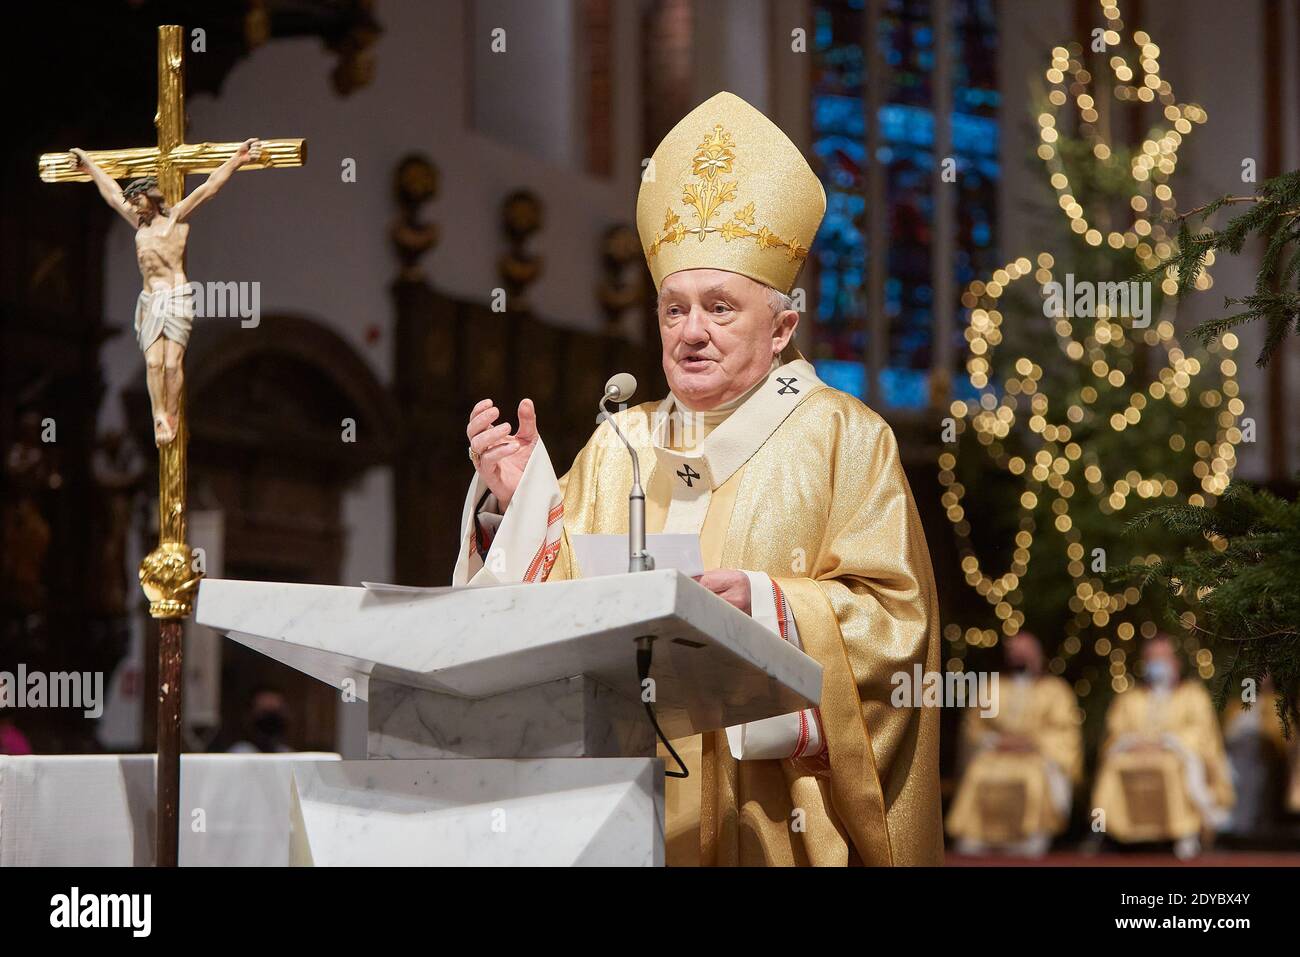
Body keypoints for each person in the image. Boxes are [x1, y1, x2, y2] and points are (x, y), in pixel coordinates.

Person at [454, 92, 942, 866]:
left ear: (783, 326)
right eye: (674, 308)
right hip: (629, 812)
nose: (691, 332)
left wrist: (774, 611)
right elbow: (553, 617)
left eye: (720, 306)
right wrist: (518, 512)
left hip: (774, 819)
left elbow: (899, 629)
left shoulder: (845, 437)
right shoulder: (621, 439)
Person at [70, 138, 263, 444]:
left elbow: (208, 187)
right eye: (131, 201)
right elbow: (110, 193)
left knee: (172, 364)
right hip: (150, 301)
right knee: (153, 363)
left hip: (175, 299)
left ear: (150, 197)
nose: (133, 205)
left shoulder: (174, 218)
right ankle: (159, 414)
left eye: (138, 200)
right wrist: (90, 165)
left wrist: (238, 159)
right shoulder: (139, 225)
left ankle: (171, 413)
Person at [1091, 634, 1234, 858]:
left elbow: (1202, 733)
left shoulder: (1193, 695)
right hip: (1135, 753)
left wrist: (1168, 743)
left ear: (1175, 663)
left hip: (1175, 755)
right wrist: (1131, 743)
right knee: (1114, 764)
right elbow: (1115, 732)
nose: (1157, 663)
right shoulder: (1129, 698)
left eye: (1163, 657)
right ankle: (1113, 833)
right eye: (1152, 658)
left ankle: (1184, 832)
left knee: (1171, 766)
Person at [946, 631, 1082, 856]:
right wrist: (996, 741)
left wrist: (1032, 742)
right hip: (997, 753)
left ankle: (1029, 836)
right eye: (1015, 653)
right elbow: (974, 726)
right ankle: (978, 835)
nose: (1020, 658)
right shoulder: (991, 686)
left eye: (1025, 653)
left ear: (1038, 655)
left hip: (1035, 755)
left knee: (1032, 777)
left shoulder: (1055, 690)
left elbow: (1064, 731)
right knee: (979, 772)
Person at [227, 687, 293, 754]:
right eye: (264, 712)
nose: (270, 722)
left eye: (276, 712)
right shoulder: (239, 754)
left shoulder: (287, 753)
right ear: (248, 716)